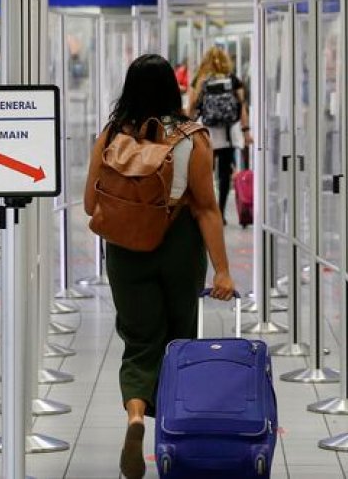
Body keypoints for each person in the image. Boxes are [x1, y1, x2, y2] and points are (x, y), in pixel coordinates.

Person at [84, 54, 235, 479]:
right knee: (178, 339)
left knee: (139, 340)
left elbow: (89, 203)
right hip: (178, 245)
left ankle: (135, 416)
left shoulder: (112, 134)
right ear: (173, 88)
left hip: (125, 249)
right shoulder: (192, 137)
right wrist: (222, 270)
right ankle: (171, 437)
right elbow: (207, 209)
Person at [188, 46, 252, 224]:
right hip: (228, 134)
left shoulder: (200, 80)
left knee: (206, 173)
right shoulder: (233, 80)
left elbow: (191, 107)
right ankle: (221, 212)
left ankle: (206, 209)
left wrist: (186, 126)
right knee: (225, 174)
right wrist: (246, 133)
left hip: (205, 133)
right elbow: (242, 109)